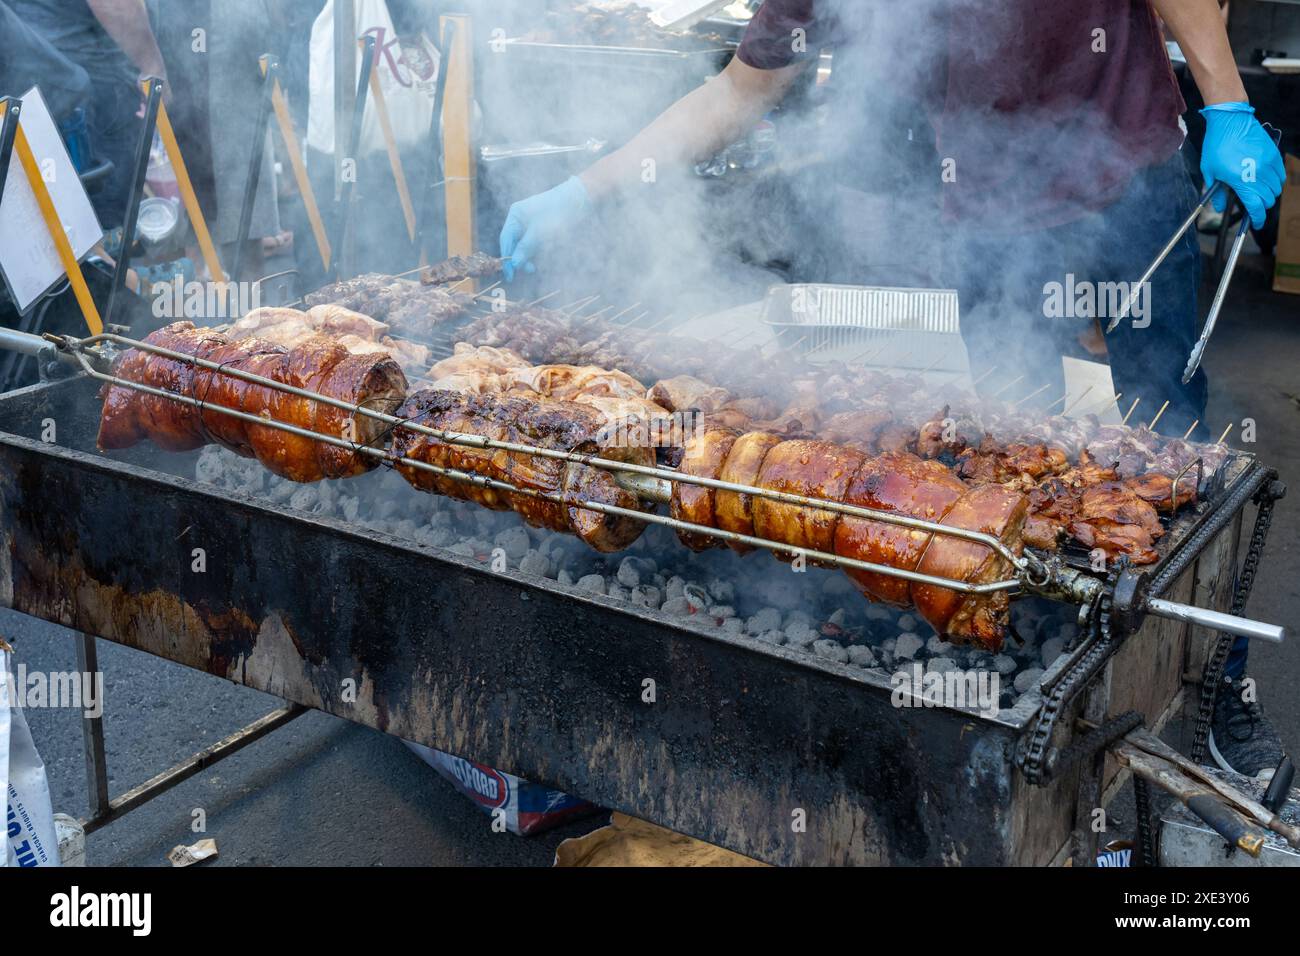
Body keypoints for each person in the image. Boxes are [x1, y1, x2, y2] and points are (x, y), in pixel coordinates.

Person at [497, 0, 1288, 778]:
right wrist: (585, 191)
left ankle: (1216, 683)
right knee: (1011, 459)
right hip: (990, 214)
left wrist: (1227, 106)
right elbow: (740, 91)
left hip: (1132, 175)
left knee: (1178, 454)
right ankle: (1059, 679)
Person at [10, 0, 168, 228]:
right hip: (89, 94)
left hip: (36, 87)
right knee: (100, 228)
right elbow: (114, 4)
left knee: (59, 231)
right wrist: (153, 69)